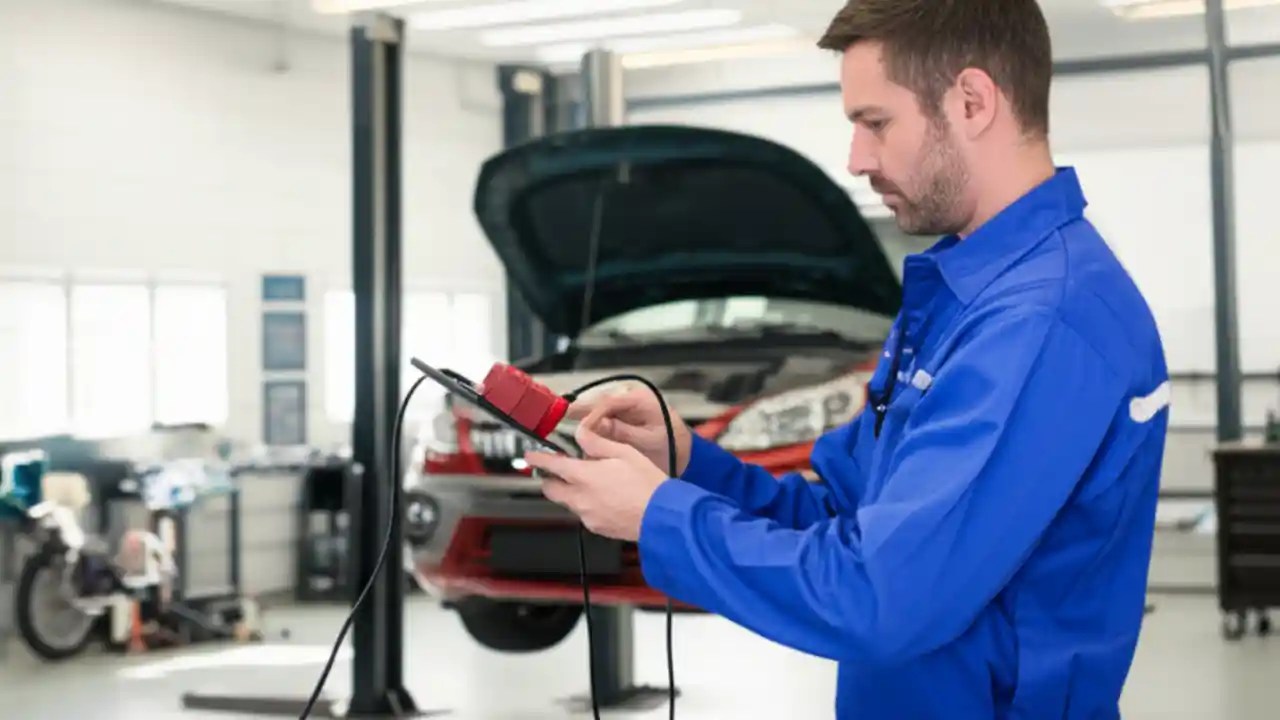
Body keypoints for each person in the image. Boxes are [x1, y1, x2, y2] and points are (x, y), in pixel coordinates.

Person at [523, 0, 1170, 717]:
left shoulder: (1041, 322)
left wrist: (658, 516)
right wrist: (686, 462)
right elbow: (847, 518)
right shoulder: (961, 298)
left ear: (972, 101)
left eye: (876, 122)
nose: (857, 159)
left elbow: (880, 597)